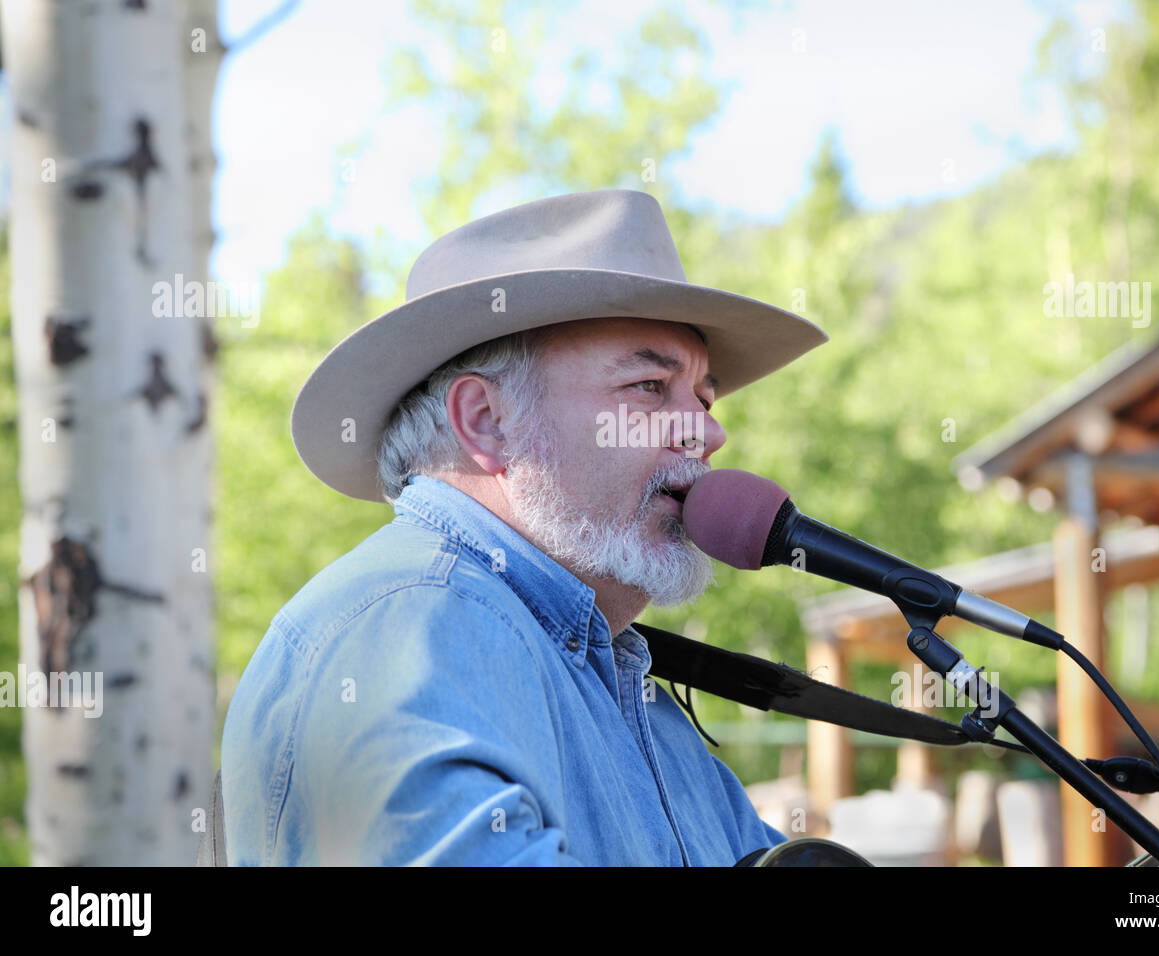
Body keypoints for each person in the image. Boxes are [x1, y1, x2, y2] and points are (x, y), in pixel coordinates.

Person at [220, 189, 828, 865]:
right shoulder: (401, 632)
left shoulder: (627, 689)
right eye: (650, 388)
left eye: (703, 397)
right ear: (485, 420)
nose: (708, 431)